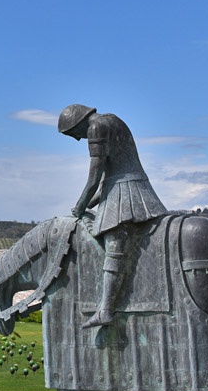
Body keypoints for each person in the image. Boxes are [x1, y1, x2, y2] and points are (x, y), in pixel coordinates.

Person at [58, 104, 168, 328]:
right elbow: (110, 180)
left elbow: (95, 178)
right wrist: (87, 204)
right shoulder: (112, 119)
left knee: (114, 244)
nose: (76, 140)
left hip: (127, 192)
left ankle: (106, 309)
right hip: (127, 187)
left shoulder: (96, 127)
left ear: (78, 123)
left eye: (72, 134)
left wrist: (80, 207)